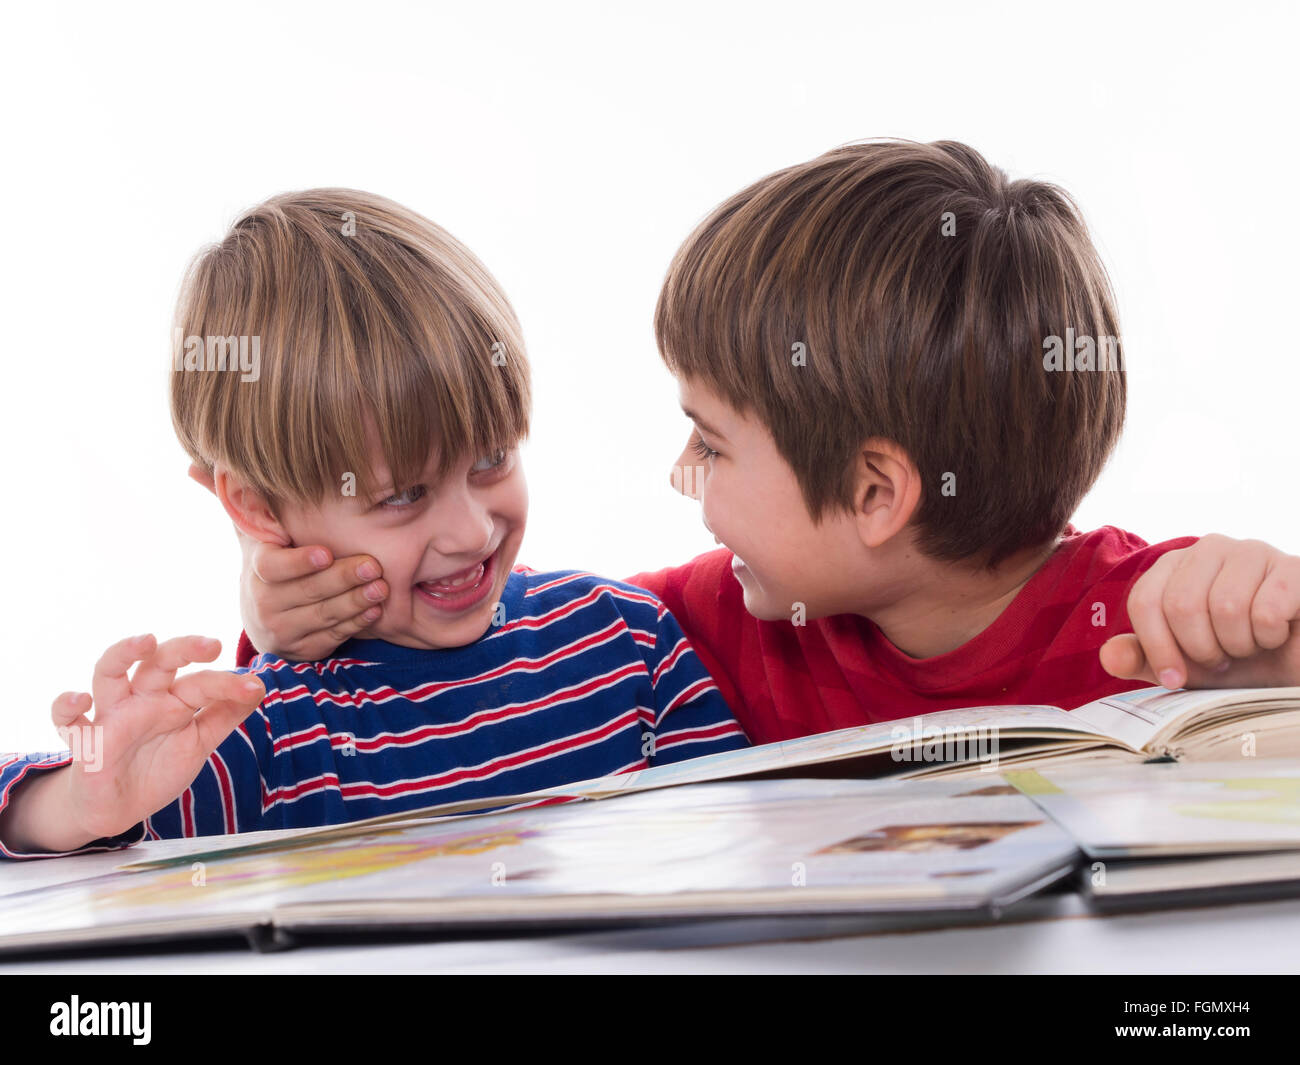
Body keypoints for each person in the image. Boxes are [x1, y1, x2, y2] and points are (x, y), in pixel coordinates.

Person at [232, 142, 1300, 745]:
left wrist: (1272, 632)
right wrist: (292, 618)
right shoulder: (720, 621)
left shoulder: (1163, 623)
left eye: (709, 442)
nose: (682, 475)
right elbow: (502, 641)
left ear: (877, 494)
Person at [0, 189, 747, 860]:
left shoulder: (625, 638)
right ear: (257, 509)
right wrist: (76, 802)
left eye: (490, 459)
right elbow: (73, 835)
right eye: (402, 496)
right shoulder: (263, 736)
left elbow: (749, 850)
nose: (468, 530)